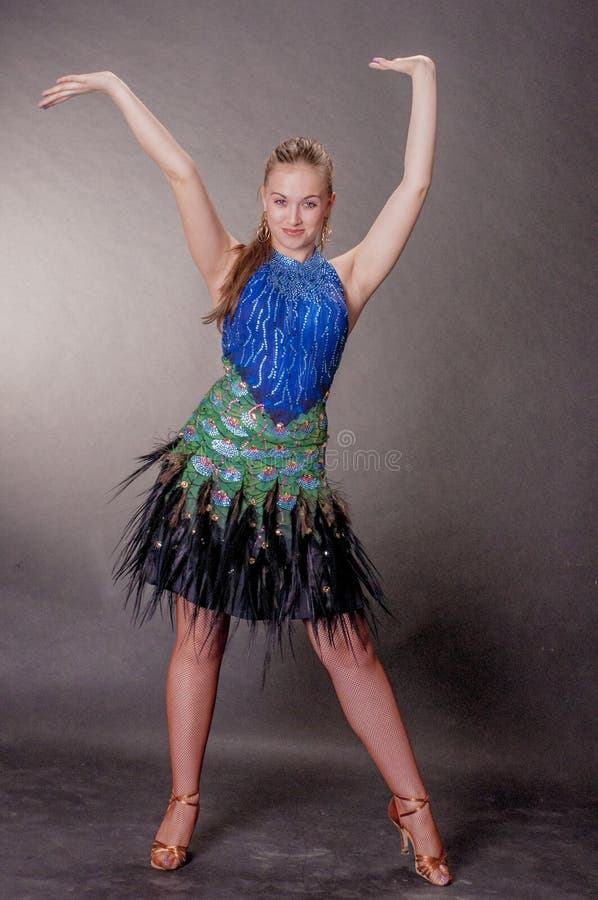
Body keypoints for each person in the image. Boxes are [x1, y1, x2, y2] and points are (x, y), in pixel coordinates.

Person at [37, 55, 452, 887]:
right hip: (214, 479)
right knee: (200, 634)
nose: (292, 216)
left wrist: (425, 77)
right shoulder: (232, 266)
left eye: (308, 203)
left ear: (329, 210)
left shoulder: (349, 278)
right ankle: (184, 800)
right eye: (279, 200)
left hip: (294, 496)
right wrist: (119, 85)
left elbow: (414, 187)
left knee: (348, 646)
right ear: (264, 202)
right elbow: (181, 169)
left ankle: (413, 806)